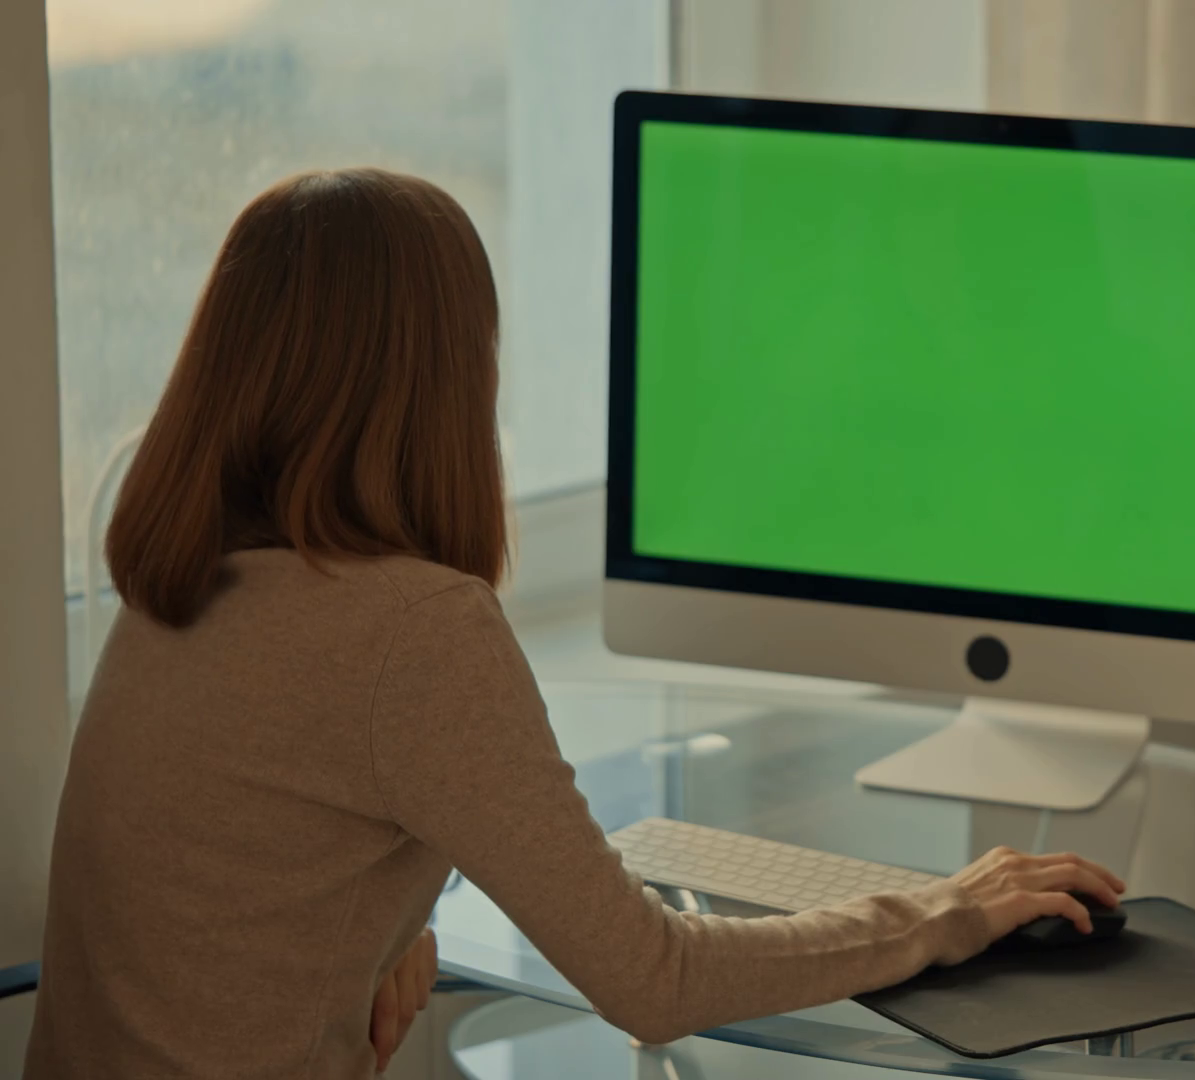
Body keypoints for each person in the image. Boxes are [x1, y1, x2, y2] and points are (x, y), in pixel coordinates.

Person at [26, 168, 1125, 1078]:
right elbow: (655, 983)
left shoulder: (177, 584)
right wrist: (947, 908)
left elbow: (277, 857)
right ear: (448, 380)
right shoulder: (412, 633)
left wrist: (397, 933)